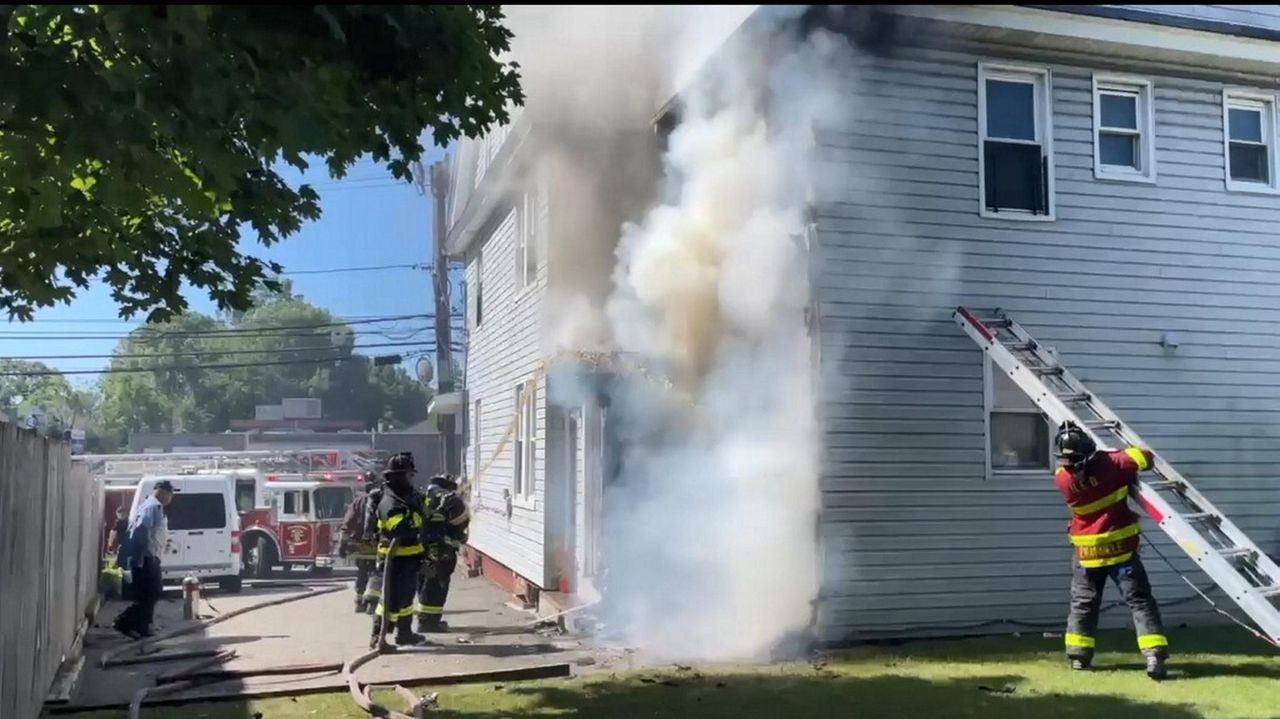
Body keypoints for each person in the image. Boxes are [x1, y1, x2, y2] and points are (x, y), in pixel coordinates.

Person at [1053, 421, 1169, 680]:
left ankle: (1079, 657)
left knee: (1083, 604)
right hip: (1121, 551)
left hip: (1086, 554)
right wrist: (1112, 453)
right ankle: (1154, 656)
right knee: (1140, 602)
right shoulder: (1113, 464)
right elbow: (1145, 457)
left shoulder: (1061, 478)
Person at [370, 452, 429, 649]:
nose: (412, 479)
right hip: (394, 561)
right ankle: (377, 638)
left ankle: (404, 633)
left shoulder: (404, 498)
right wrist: (417, 518)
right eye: (409, 476)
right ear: (397, 477)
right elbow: (400, 528)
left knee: (406, 600)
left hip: (409, 559)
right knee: (390, 601)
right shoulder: (390, 502)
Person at [114, 480, 177, 639]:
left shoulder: (152, 506)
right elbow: (142, 530)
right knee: (152, 593)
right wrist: (145, 556)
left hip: (148, 557)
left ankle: (142, 626)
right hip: (146, 558)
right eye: (171, 493)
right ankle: (124, 621)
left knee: (149, 594)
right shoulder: (152, 507)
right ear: (163, 491)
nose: (172, 498)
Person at [414, 472, 470, 633]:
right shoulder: (449, 498)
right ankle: (428, 623)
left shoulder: (419, 496)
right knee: (437, 585)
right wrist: (458, 536)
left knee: (423, 581)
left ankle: (425, 620)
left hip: (418, 549)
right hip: (441, 551)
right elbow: (461, 521)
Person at [340, 472, 384, 613]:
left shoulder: (358, 502)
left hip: (359, 545)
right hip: (378, 544)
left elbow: (347, 525)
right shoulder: (384, 502)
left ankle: (359, 602)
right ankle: (372, 603)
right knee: (377, 572)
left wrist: (342, 545)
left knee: (362, 571)